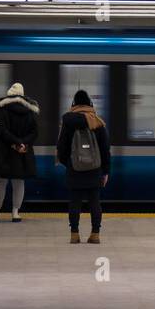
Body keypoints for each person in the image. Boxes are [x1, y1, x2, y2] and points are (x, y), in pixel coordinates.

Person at [56, 90, 112, 244]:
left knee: (75, 201)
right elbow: (105, 149)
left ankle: (75, 234)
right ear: (90, 104)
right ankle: (95, 234)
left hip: (74, 169)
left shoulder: (67, 122)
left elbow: (61, 147)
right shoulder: (98, 122)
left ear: (73, 104)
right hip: (95, 169)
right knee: (94, 201)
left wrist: (70, 163)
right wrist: (106, 171)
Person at [0, 82, 39, 223]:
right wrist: (22, 143)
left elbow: (2, 130)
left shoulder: (3, 109)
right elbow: (34, 132)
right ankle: (15, 213)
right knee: (19, 182)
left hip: (4, 151)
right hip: (22, 152)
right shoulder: (30, 111)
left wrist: (14, 142)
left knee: (0, 182)